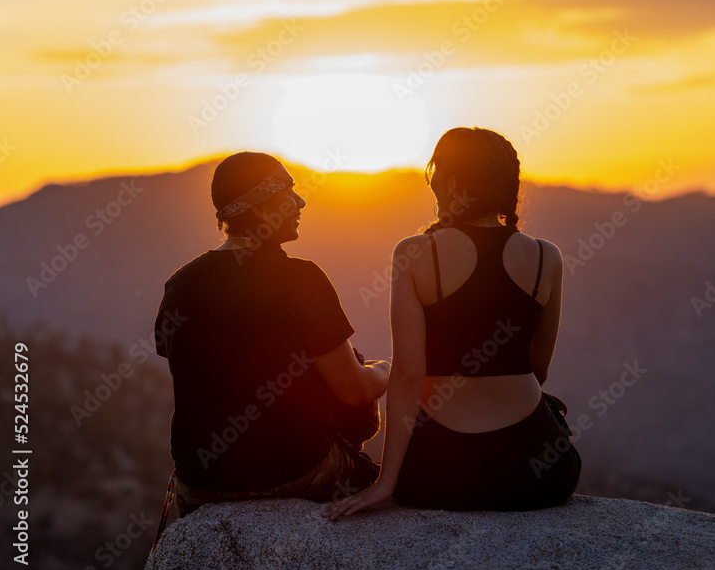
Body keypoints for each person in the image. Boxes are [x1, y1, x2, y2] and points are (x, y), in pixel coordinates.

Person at [323, 126, 581, 519]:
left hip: (443, 474)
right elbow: (538, 369)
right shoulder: (547, 257)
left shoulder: (414, 253)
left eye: (437, 167)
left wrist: (386, 482)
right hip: (536, 471)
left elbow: (409, 374)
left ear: (451, 180)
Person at [153, 151, 389, 524]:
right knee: (354, 361)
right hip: (298, 472)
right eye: (288, 193)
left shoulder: (181, 284)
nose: (301, 201)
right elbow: (354, 391)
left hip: (202, 482)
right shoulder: (302, 279)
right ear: (260, 211)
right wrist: (385, 370)